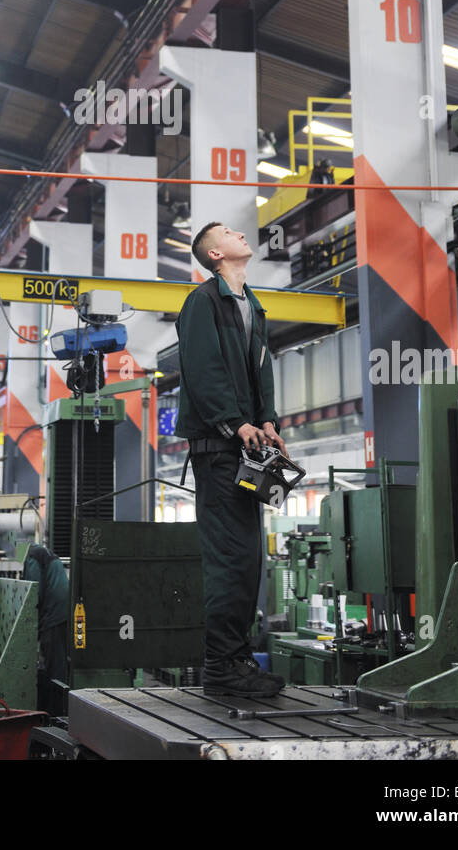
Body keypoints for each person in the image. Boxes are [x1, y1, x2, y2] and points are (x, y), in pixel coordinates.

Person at [176, 222, 288, 700]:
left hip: (246, 453)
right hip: (219, 453)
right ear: (216, 255)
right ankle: (221, 666)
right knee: (229, 561)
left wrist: (266, 422)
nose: (240, 232)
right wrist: (234, 422)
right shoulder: (203, 302)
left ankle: (236, 659)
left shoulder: (252, 304)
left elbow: (260, 371)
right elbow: (204, 370)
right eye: (228, 232)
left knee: (247, 562)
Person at [22, 543, 69, 712]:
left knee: (54, 666)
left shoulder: (33, 557)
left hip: (54, 615)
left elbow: (33, 593)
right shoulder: (44, 553)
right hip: (62, 612)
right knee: (58, 661)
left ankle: (56, 712)